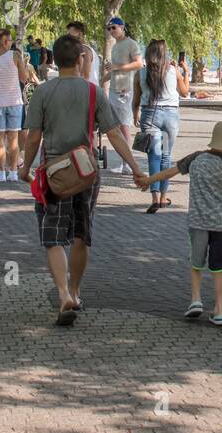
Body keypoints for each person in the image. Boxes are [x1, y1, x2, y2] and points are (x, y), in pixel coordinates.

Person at [19, 34, 145, 326]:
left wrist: (25, 167)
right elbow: (114, 134)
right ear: (80, 60)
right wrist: (136, 168)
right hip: (86, 173)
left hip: (53, 174)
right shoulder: (93, 92)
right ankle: (75, 292)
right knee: (80, 234)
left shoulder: (42, 92)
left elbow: (34, 136)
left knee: (52, 236)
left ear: (53, 59)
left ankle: (62, 293)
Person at [143, 120, 222, 327]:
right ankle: (219, 310)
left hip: (196, 220)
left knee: (196, 263)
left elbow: (171, 171)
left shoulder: (196, 157)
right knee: (219, 269)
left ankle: (195, 299)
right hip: (221, 223)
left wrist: (147, 181)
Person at [133, 38, 188, 213]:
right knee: (166, 156)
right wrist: (185, 71)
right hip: (171, 117)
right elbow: (185, 92)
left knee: (154, 156)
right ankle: (164, 197)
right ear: (164, 54)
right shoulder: (173, 71)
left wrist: (135, 113)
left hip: (149, 115)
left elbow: (136, 98)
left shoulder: (140, 73)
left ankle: (155, 197)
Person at [0, 27, 36, 182]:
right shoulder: (15, 55)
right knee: (13, 140)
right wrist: (23, 66)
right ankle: (13, 172)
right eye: (10, 40)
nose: (11, 43)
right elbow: (24, 78)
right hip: (14, 102)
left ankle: (0, 172)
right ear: (5, 41)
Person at [101, 17, 142, 173]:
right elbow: (115, 70)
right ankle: (123, 162)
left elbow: (139, 63)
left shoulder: (131, 44)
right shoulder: (115, 46)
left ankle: (128, 164)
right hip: (114, 89)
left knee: (124, 127)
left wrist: (116, 67)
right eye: (109, 29)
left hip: (126, 90)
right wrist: (104, 78)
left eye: (114, 28)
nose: (111, 31)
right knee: (116, 127)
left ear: (122, 27)